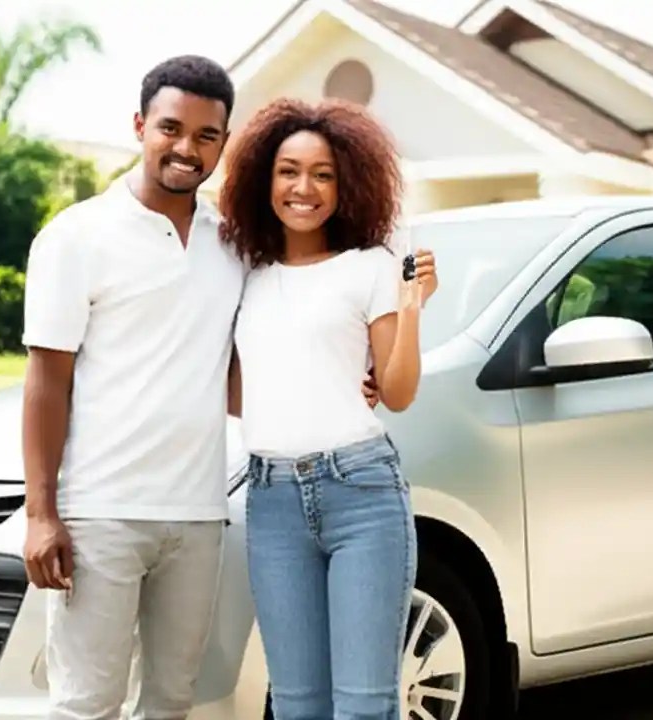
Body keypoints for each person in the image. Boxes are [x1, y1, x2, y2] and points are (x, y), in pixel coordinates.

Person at [19, 55, 241, 720]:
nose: (187, 148)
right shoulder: (76, 236)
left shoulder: (232, 243)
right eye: (171, 128)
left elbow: (240, 373)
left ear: (223, 143)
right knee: (87, 705)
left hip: (198, 514)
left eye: (206, 136)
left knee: (171, 703)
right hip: (101, 514)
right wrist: (40, 513)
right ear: (140, 126)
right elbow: (46, 384)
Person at [219, 97, 438, 720]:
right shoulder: (247, 274)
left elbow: (398, 392)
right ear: (264, 179)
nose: (304, 188)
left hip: (360, 493)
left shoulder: (369, 268)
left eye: (324, 175)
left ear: (348, 186)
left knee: (364, 706)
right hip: (271, 501)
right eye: (288, 171)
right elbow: (238, 391)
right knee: (296, 706)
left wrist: (412, 307)